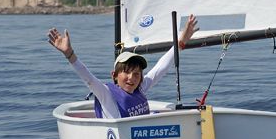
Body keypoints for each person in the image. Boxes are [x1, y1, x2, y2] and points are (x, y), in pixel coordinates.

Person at [47, 14, 198, 119]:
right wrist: (69, 54)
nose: (132, 78)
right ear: (114, 75)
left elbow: (161, 67)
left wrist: (181, 42)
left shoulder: (140, 88)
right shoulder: (106, 94)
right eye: (126, 72)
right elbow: (88, 78)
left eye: (137, 74)